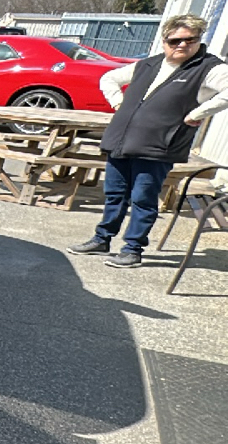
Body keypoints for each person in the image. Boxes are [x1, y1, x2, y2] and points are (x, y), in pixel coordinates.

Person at [69, 14, 228, 268]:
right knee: (114, 194)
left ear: (199, 40)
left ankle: (133, 249)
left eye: (190, 40)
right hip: (122, 140)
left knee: (143, 197)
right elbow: (108, 78)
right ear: (164, 40)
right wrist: (118, 103)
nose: (182, 45)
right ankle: (102, 238)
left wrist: (197, 114)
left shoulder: (209, 68)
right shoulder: (149, 64)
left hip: (159, 146)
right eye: (175, 40)